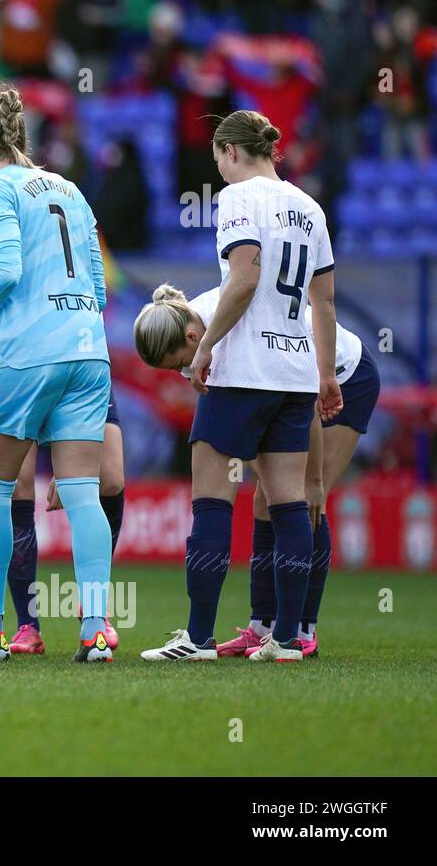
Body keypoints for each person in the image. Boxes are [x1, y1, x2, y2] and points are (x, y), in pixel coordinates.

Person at [139, 110, 342, 664]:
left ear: (230, 152)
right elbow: (323, 303)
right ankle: (286, 640)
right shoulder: (310, 207)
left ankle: (198, 638)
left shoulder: (238, 199)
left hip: (244, 373)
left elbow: (245, 277)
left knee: (211, 503)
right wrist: (324, 374)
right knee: (289, 506)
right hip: (296, 374)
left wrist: (204, 350)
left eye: (218, 162)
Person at [0, 85, 114, 664]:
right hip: (88, 350)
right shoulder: (71, 189)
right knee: (83, 493)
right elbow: (98, 283)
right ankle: (94, 631)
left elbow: (7, 269)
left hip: (28, 355)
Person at [134, 282, 378, 659]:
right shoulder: (202, 327)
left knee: (312, 499)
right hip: (293, 385)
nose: (184, 371)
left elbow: (306, 392)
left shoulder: (230, 329)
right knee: (268, 500)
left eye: (181, 362)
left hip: (345, 379)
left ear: (192, 336)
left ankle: (301, 630)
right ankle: (263, 627)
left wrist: (312, 479)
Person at [0, 311, 127, 655]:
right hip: (17, 378)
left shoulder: (67, 285)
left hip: (76, 357)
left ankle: (94, 608)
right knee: (17, 487)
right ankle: (27, 625)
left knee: (109, 480)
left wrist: (70, 472)